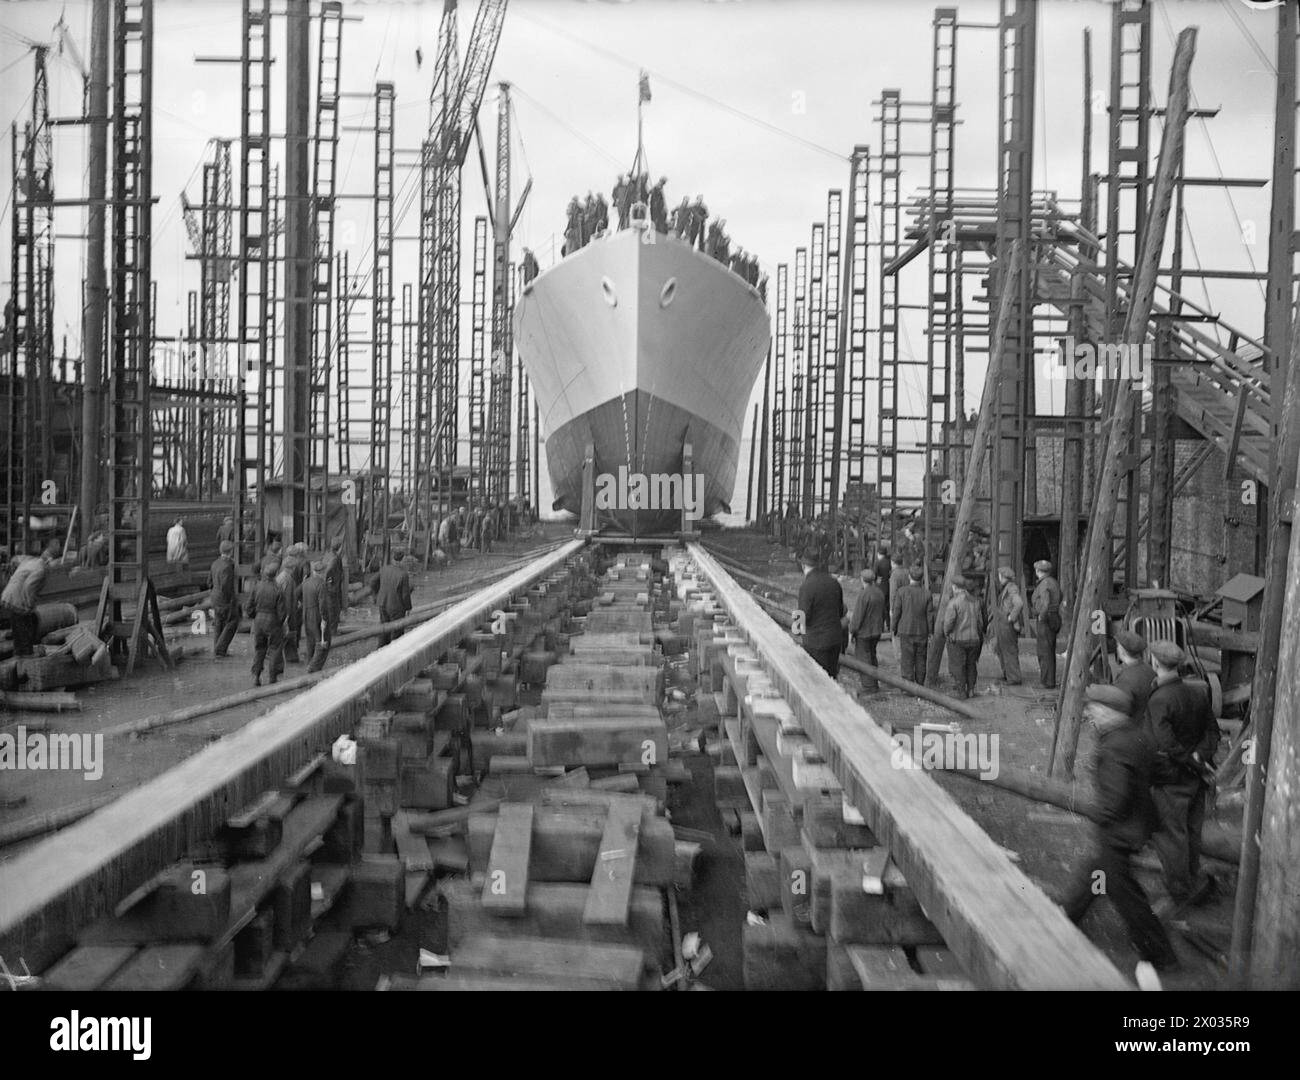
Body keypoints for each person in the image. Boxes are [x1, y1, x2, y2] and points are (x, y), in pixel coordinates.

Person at [1060, 684, 1179, 977]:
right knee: (1097, 872)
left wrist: (1093, 813)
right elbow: (1163, 772)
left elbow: (1114, 801)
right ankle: (1066, 917)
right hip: (1136, 823)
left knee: (1123, 891)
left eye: (1094, 710)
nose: (1089, 714)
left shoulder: (1114, 746)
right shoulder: (1137, 734)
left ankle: (1160, 953)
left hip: (1120, 830)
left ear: (1110, 712)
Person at [1146, 640, 1219, 911]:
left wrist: (1189, 760)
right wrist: (1200, 756)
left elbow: (1165, 743)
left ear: (1155, 663)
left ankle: (1179, 890)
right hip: (1195, 780)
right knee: (1191, 831)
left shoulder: (1159, 699)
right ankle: (1190, 878)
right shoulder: (1198, 693)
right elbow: (1213, 732)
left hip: (1171, 779)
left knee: (1171, 836)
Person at [795, 539, 846, 678]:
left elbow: (802, 616)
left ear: (803, 565)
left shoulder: (806, 586)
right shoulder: (834, 583)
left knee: (817, 681)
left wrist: (796, 631)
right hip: (835, 639)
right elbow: (841, 611)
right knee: (831, 677)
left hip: (816, 642)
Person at [0, 541, 60, 656]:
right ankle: (25, 656)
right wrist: (29, 606)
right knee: (25, 629)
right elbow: (29, 586)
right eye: (56, 562)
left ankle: (20, 652)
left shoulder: (33, 560)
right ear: (51, 560)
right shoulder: (41, 569)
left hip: (10, 595)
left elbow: (15, 559)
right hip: (18, 599)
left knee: (24, 624)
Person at [245, 558, 287, 687]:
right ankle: (272, 677)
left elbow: (249, 607)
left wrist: (254, 616)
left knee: (259, 649)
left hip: (258, 620)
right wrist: (281, 623)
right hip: (273, 621)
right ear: (276, 574)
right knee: (274, 649)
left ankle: (256, 676)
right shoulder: (278, 589)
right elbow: (282, 611)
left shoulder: (257, 586)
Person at [942, 576, 984, 699]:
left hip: (958, 640)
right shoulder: (976, 601)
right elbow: (980, 622)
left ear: (955, 587)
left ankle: (961, 692)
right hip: (974, 639)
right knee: (971, 665)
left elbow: (948, 623)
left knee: (958, 666)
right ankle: (971, 689)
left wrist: (947, 633)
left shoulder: (953, 603)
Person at [891, 564, 931, 685]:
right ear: (922, 578)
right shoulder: (927, 593)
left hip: (906, 630)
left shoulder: (901, 592)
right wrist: (931, 632)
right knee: (921, 659)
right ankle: (920, 685)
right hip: (922, 631)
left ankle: (908, 686)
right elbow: (930, 615)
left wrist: (894, 627)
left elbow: (896, 612)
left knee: (907, 659)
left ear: (909, 577)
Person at [849, 566, 886, 693]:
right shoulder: (879, 592)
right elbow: (884, 612)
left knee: (863, 659)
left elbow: (858, 616)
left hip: (864, 632)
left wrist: (852, 631)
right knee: (872, 656)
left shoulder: (863, 594)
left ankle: (869, 686)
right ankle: (874, 683)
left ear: (862, 579)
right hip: (876, 631)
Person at [989, 565, 1024, 686]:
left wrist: (1011, 617)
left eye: (1000, 576)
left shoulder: (1012, 588)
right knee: (1002, 649)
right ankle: (1008, 675)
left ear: (1004, 577)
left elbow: (1019, 603)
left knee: (1009, 650)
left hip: (1007, 624)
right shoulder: (1007, 587)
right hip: (1003, 623)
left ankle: (1014, 678)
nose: (998, 578)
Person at [370, 548, 414, 646]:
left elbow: (372, 581)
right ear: (402, 560)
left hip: (382, 604)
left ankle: (380, 651)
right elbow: (405, 595)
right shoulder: (403, 575)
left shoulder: (384, 569)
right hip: (396, 608)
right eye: (405, 560)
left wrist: (376, 595)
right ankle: (394, 652)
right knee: (397, 632)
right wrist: (408, 608)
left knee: (384, 629)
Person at [1112, 628, 1157, 724]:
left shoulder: (1126, 679)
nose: (1117, 648)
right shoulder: (1150, 670)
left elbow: (1119, 711)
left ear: (1122, 651)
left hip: (1134, 729)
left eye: (1118, 646)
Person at [1031, 559, 1062, 689]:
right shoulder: (1054, 582)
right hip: (1054, 617)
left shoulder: (1044, 584)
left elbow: (1045, 603)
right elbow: (1061, 595)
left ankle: (1047, 682)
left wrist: (1041, 616)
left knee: (1044, 652)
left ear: (1038, 571)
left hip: (1046, 619)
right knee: (1049, 650)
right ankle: (1049, 680)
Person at [209, 539, 238, 658]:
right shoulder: (227, 567)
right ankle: (220, 649)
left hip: (214, 597)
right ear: (230, 552)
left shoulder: (214, 563)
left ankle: (218, 648)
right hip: (224, 599)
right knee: (232, 622)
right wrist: (230, 600)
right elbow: (226, 586)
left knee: (219, 623)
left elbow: (209, 582)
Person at [276, 547, 302, 664]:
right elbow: (287, 599)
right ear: (291, 568)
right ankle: (291, 657)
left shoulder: (280, 577)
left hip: (281, 610)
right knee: (289, 635)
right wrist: (288, 615)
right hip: (289, 611)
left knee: (285, 635)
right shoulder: (289, 580)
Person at [302, 559, 326, 667]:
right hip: (315, 613)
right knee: (318, 640)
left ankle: (308, 661)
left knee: (309, 639)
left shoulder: (306, 582)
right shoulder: (321, 584)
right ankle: (313, 665)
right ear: (321, 572)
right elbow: (322, 604)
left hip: (305, 612)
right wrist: (324, 618)